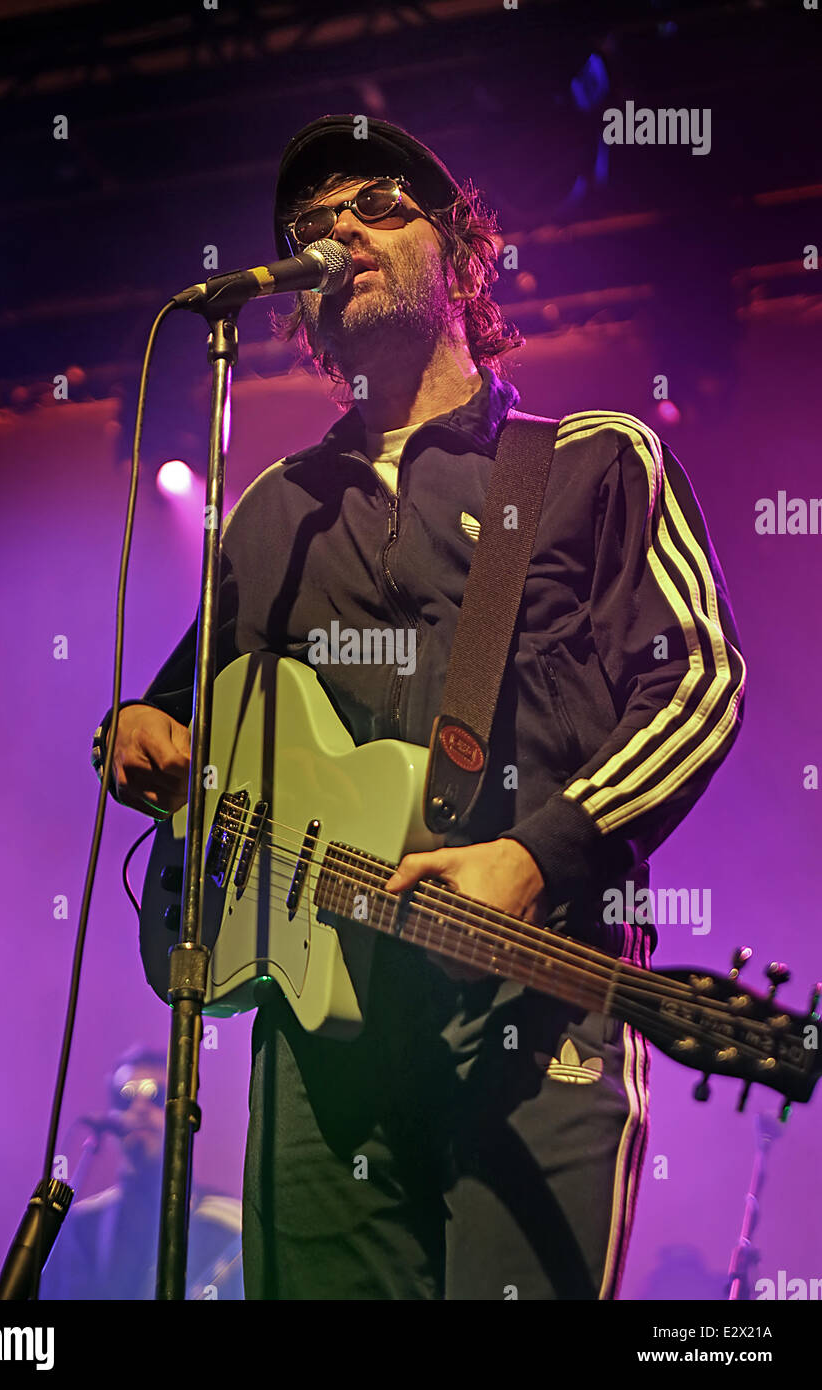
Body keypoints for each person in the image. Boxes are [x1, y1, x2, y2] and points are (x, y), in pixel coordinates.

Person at [91, 116, 745, 1300]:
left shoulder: (593, 460)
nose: (338, 229)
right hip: (318, 1043)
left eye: (376, 204)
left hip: (536, 1011)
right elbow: (180, 710)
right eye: (309, 224)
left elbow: (697, 684)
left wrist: (537, 856)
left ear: (462, 249)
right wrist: (134, 729)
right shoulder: (272, 515)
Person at [40, 1045, 243, 1300]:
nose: (139, 1108)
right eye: (124, 1098)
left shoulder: (231, 1226)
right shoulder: (79, 1224)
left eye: (156, 1096)